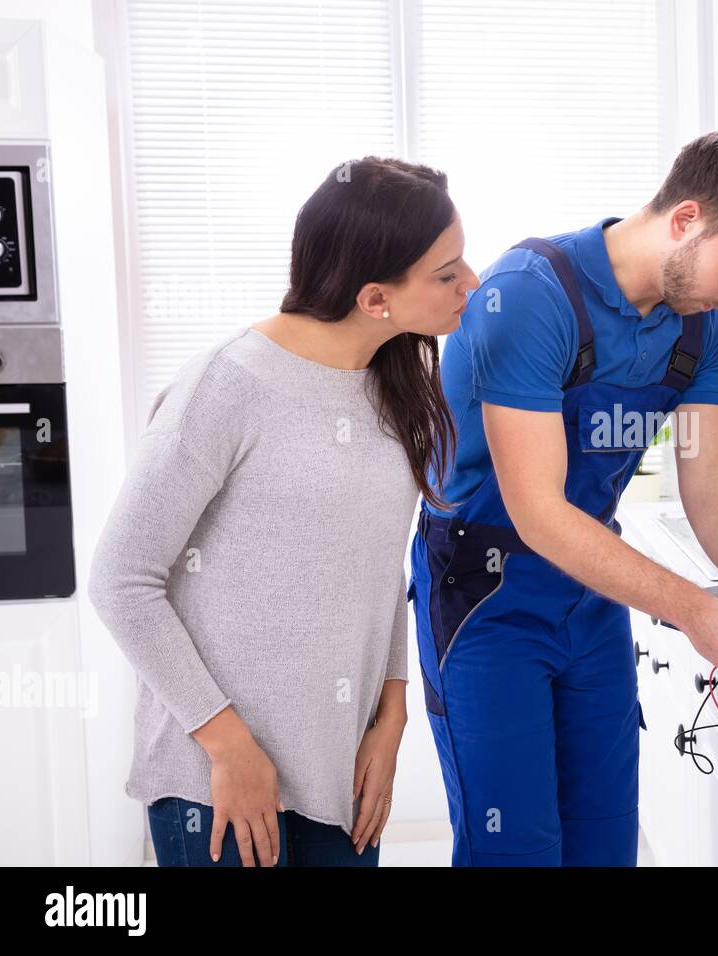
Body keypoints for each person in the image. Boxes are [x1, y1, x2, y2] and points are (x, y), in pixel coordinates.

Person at [410, 127, 718, 866]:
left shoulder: (700, 329)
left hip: (588, 600)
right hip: (485, 605)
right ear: (685, 220)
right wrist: (700, 611)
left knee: (604, 845)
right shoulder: (528, 299)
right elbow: (537, 512)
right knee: (518, 852)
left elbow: (708, 474)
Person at [90, 157, 479, 866]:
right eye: (447, 273)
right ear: (374, 298)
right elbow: (121, 580)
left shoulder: (390, 383)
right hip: (216, 785)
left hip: (340, 780)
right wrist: (230, 748)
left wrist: (389, 721)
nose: (472, 284)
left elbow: (377, 567)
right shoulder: (226, 386)